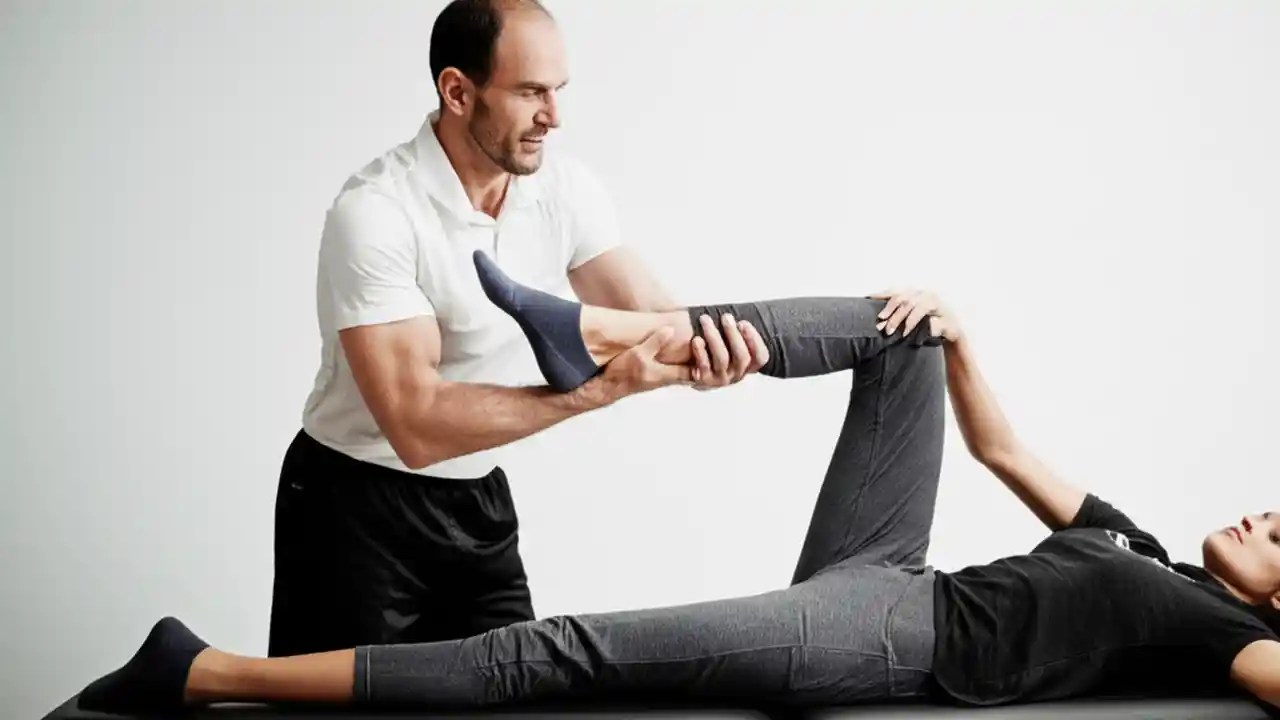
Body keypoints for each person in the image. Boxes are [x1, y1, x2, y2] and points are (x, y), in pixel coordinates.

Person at [78, 279, 1280, 714]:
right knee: (894, 328)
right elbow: (1003, 452)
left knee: (556, 655)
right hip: (890, 569)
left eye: (1277, 536)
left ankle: (202, 671)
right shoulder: (1137, 547)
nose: (1252, 517)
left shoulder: (1222, 631)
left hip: (888, 641)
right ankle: (609, 333)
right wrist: (956, 332)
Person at [269, 0, 767, 658]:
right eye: (531, 92)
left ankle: (568, 328)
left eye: (558, 92)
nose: (554, 117)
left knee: (516, 693)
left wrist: (724, 351)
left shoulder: (563, 190)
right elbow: (415, 427)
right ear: (457, 91)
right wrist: (595, 391)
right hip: (355, 505)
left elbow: (657, 320)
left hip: (477, 503)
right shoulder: (376, 213)